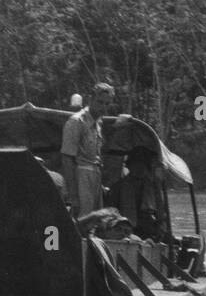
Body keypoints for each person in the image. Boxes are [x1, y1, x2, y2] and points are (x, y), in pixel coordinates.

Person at [61, 83, 115, 217]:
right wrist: (73, 196)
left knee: (95, 221)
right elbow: (67, 159)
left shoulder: (98, 123)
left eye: (107, 104)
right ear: (91, 100)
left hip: (95, 176)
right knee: (83, 220)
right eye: (100, 102)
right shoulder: (77, 121)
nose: (103, 107)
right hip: (81, 177)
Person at [110, 146, 165, 240]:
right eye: (136, 165)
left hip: (149, 229)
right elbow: (111, 212)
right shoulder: (118, 187)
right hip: (126, 229)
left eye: (143, 165)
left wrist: (161, 228)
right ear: (130, 166)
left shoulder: (154, 187)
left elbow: (161, 214)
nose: (139, 169)